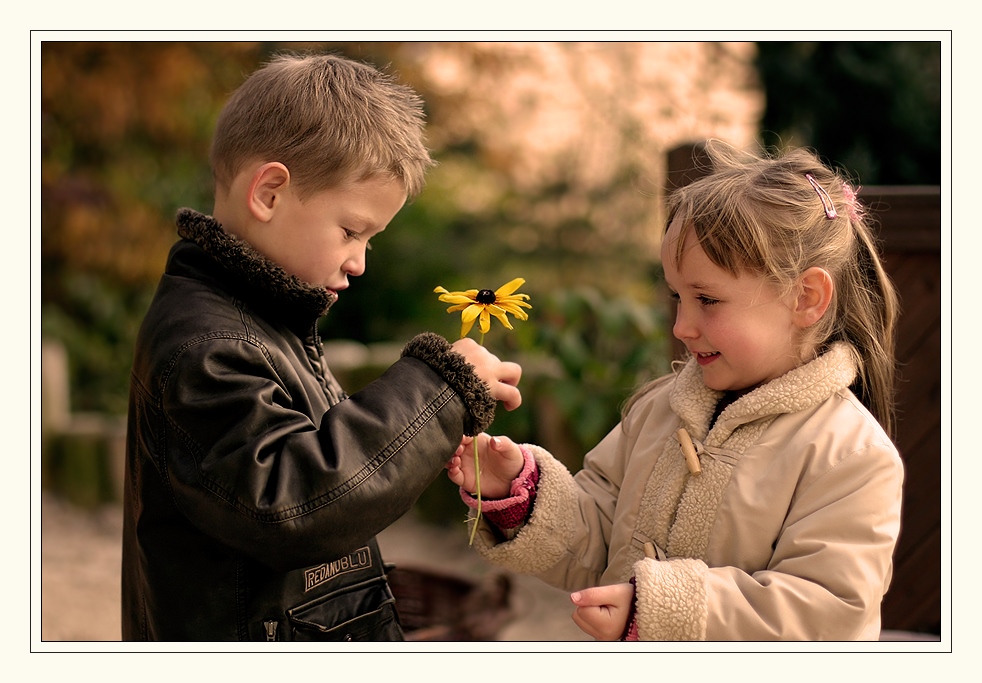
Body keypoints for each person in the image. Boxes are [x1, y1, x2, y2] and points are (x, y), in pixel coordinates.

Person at [121, 52, 522, 642]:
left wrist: (412, 443)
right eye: (351, 231)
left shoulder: (270, 322)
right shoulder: (206, 348)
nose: (359, 261)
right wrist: (438, 390)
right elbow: (293, 506)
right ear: (270, 193)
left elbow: (325, 462)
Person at [447, 139, 905, 641]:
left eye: (707, 299)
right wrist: (523, 492)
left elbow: (826, 612)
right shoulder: (658, 410)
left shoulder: (851, 457)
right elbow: (596, 539)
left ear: (806, 298)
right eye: (677, 296)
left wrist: (661, 610)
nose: (683, 326)